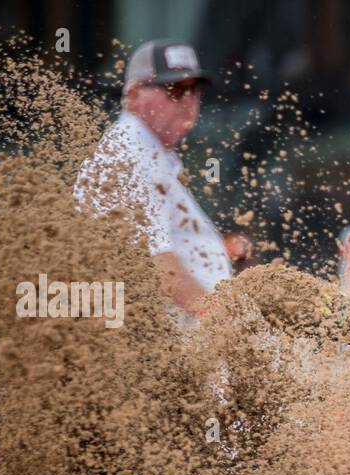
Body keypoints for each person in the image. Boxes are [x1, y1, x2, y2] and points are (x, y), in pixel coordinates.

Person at [75, 40, 247, 318]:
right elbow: (154, 264)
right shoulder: (129, 151)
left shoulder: (146, 152)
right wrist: (222, 322)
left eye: (196, 89)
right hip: (155, 343)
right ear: (133, 95)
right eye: (175, 89)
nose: (189, 100)